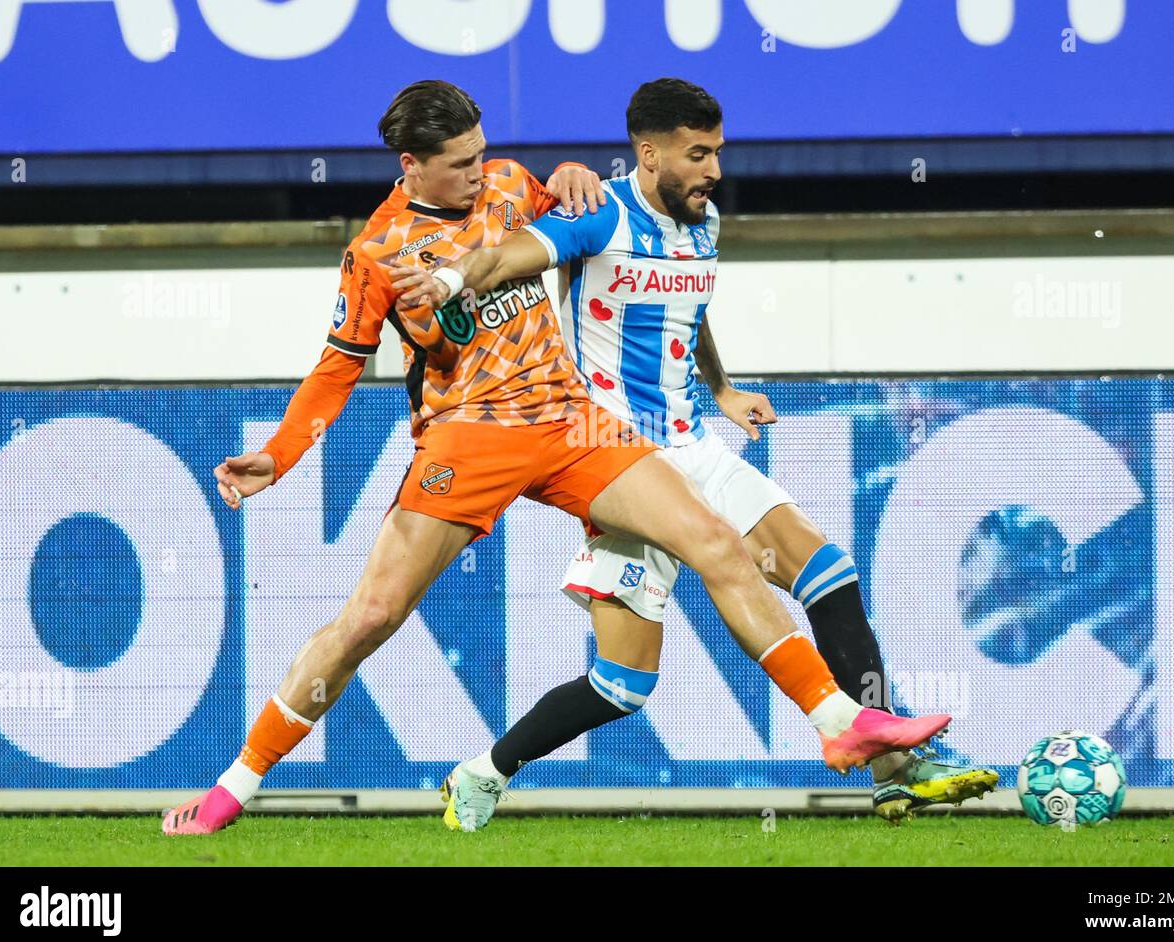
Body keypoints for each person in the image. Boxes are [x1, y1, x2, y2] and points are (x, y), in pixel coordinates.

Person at [161, 79, 950, 836]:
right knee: (372, 616)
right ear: (412, 166)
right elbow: (338, 367)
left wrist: (572, 176)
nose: (480, 172)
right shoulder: (375, 251)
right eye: (460, 163)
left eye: (482, 153)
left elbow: (573, 223)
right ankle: (236, 786)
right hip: (470, 434)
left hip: (576, 423)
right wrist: (279, 454)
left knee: (714, 542)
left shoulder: (510, 182)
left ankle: (839, 723)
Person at [390, 79, 992, 832]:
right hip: (619, 460)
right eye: (697, 154)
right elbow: (504, 257)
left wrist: (724, 386)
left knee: (827, 572)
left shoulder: (702, 223)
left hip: (693, 441)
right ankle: (484, 772)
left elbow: (688, 310)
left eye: (717, 153)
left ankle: (892, 766)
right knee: (624, 682)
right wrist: (448, 276)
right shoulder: (600, 213)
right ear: (649, 153)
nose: (712, 169)